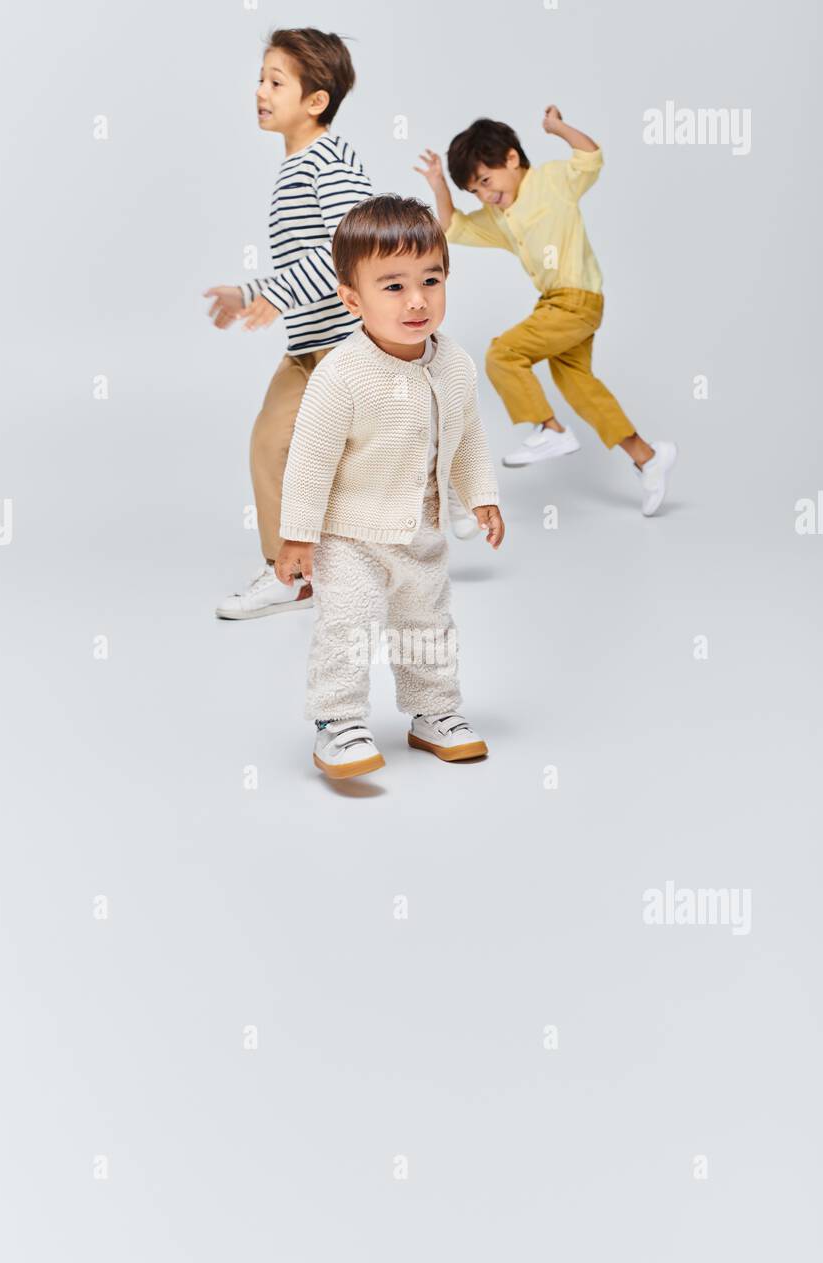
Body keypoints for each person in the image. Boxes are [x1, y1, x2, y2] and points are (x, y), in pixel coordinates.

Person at [274, 196, 505, 779]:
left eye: (431, 279)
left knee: (427, 624)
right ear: (352, 299)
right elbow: (309, 461)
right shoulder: (342, 375)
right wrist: (297, 537)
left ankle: (433, 711)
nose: (418, 300)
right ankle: (339, 721)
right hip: (350, 536)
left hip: (420, 532)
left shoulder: (454, 364)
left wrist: (482, 495)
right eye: (393, 287)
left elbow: (468, 434)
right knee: (348, 627)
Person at [416, 107, 677, 516]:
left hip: (576, 300)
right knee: (577, 384)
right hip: (559, 304)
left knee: (503, 353)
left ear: (512, 160)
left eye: (486, 181)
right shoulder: (499, 217)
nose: (485, 195)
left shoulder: (552, 181)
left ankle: (549, 429)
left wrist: (558, 129)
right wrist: (438, 185)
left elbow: (590, 157)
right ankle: (647, 456)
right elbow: (452, 228)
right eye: (475, 191)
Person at [204, 28, 372, 619]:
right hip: (308, 345)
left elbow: (350, 245)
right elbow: (301, 258)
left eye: (276, 82)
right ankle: (292, 572)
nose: (260, 92)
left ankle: (434, 498)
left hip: (346, 345)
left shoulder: (332, 158)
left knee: (355, 454)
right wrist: (251, 290)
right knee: (271, 444)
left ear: (315, 101)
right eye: (260, 79)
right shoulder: (293, 167)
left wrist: (276, 293)